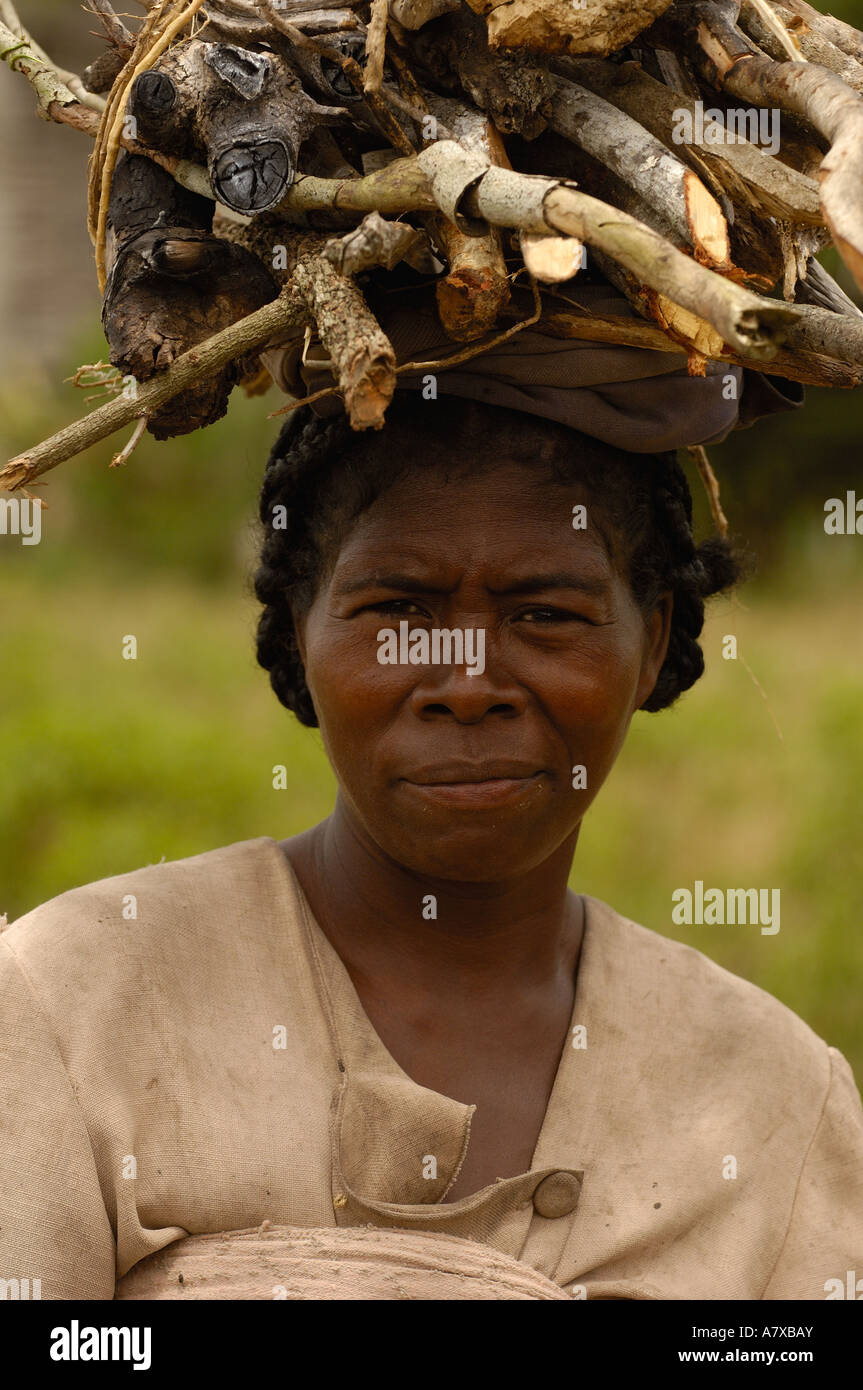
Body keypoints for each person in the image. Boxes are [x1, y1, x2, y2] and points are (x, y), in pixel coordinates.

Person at [2, 353, 860, 1300]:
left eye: (544, 613)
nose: (467, 686)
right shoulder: (73, 1007)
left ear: (652, 638)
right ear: (299, 628)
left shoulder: (775, 1098)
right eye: (398, 612)